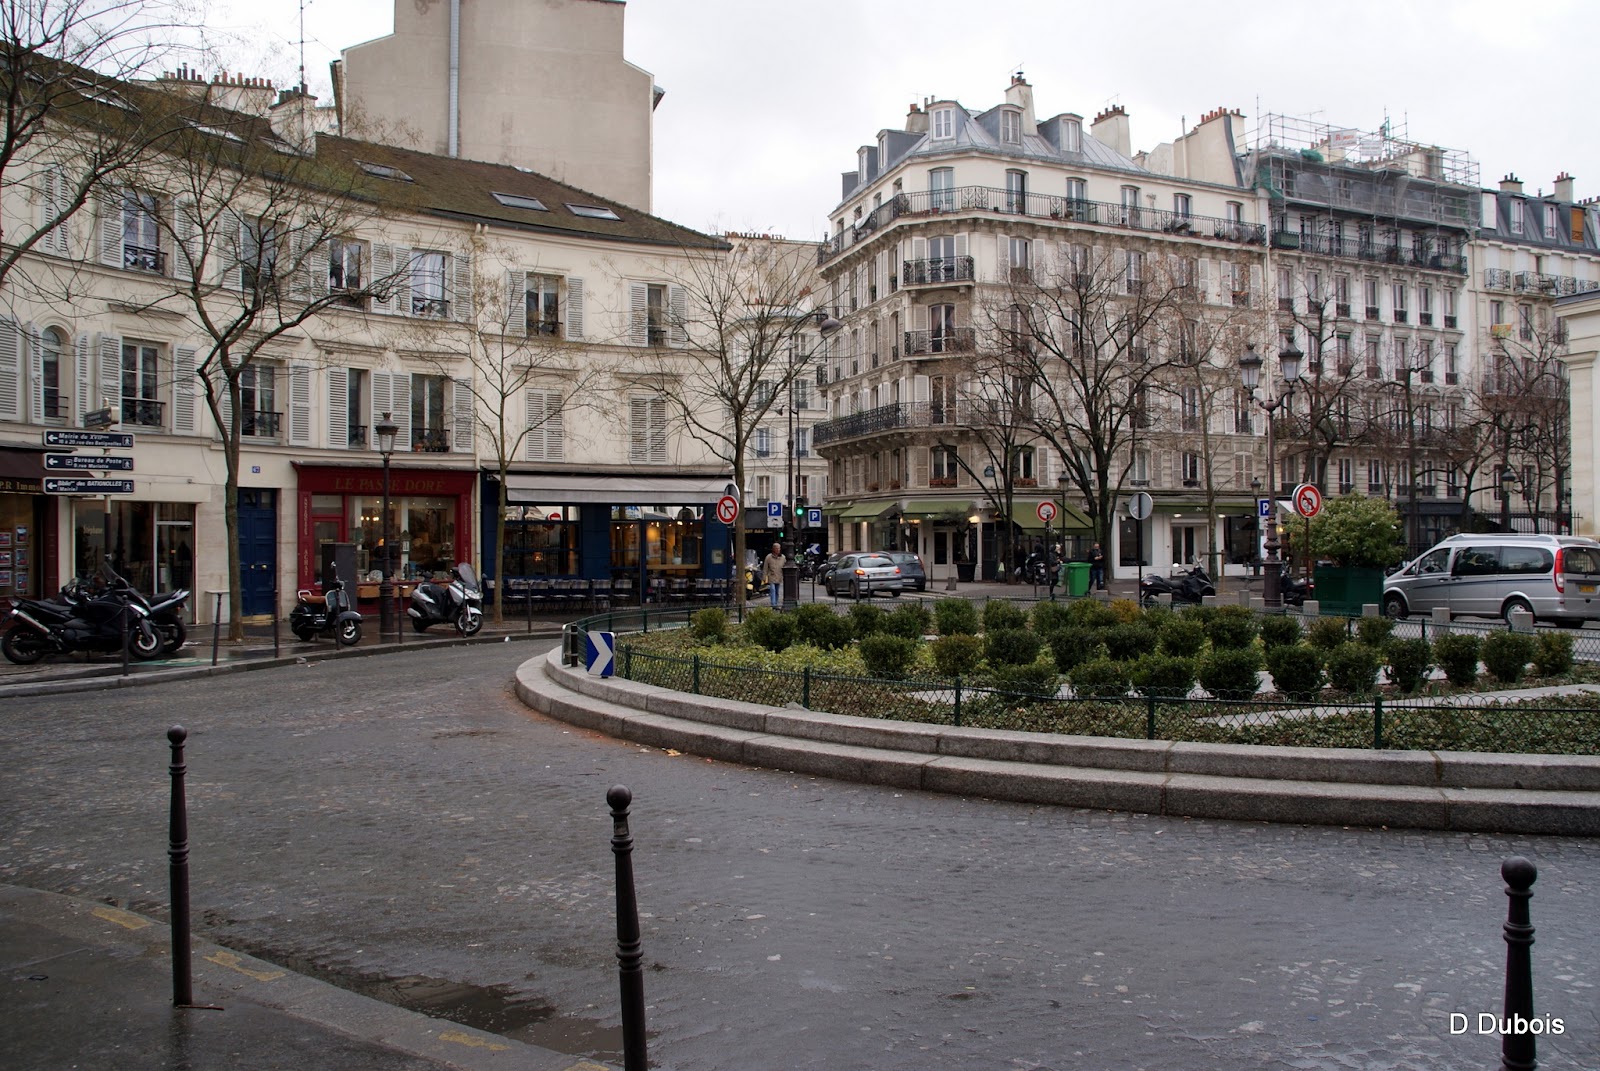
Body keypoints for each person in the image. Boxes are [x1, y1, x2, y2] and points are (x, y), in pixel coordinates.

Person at [761, 541, 786, 609]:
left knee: (777, 591)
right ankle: (773, 604)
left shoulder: (783, 557)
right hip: (771, 576)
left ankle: (776, 603)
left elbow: (785, 567)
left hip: (779, 577)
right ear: (773, 549)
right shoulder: (768, 557)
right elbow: (765, 568)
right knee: (772, 590)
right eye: (776, 548)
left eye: (779, 548)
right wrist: (764, 577)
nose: (778, 550)